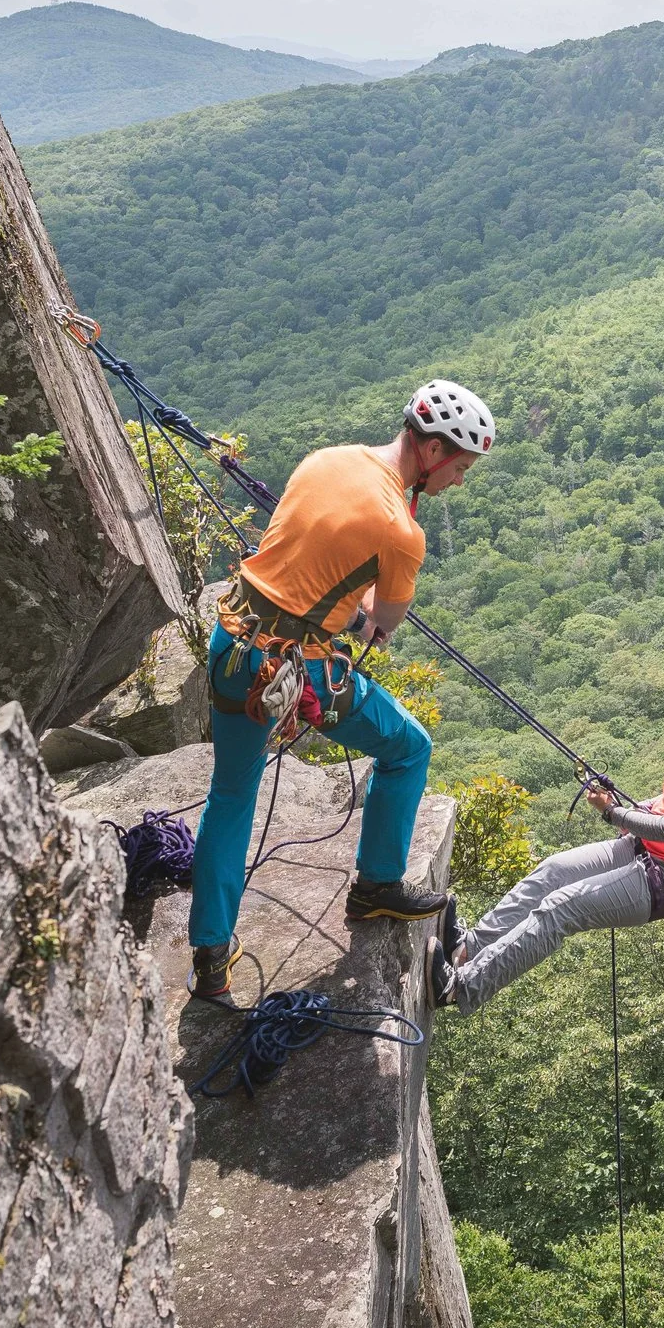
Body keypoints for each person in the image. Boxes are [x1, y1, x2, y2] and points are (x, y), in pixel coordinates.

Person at [188, 378, 494, 1004]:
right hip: (297, 671)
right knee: (409, 748)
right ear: (432, 452)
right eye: (460, 466)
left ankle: (211, 958)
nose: (458, 480)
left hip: (234, 643)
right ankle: (377, 884)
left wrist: (348, 614)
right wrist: (363, 613)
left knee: (231, 793)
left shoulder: (326, 458)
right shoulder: (402, 532)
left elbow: (307, 568)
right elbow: (386, 619)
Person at [435, 628, 664, 1012]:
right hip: (660, 853)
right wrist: (637, 811)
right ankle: (468, 948)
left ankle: (462, 987)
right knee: (553, 872)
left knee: (560, 908)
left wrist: (613, 813)